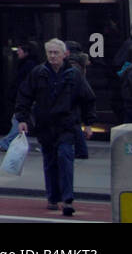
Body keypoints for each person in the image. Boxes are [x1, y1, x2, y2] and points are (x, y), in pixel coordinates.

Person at [15, 39, 96, 217]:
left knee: (65, 158)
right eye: (50, 52)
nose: (52, 56)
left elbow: (88, 99)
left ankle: (67, 199)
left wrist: (89, 123)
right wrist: (22, 118)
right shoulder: (38, 73)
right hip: (45, 126)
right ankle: (53, 197)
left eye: (56, 52)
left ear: (64, 54)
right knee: (50, 161)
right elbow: (25, 95)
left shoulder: (74, 75)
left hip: (66, 125)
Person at [0, 40, 40, 152]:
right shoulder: (28, 64)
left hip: (27, 98)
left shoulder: (28, 65)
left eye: (20, 50)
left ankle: (7, 142)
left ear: (26, 52)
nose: (17, 52)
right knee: (25, 119)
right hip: (27, 97)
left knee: (19, 119)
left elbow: (22, 83)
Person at [65, 40, 91, 159]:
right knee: (75, 125)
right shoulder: (79, 63)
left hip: (72, 100)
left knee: (74, 125)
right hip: (77, 100)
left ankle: (81, 150)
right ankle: (80, 150)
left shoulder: (72, 66)